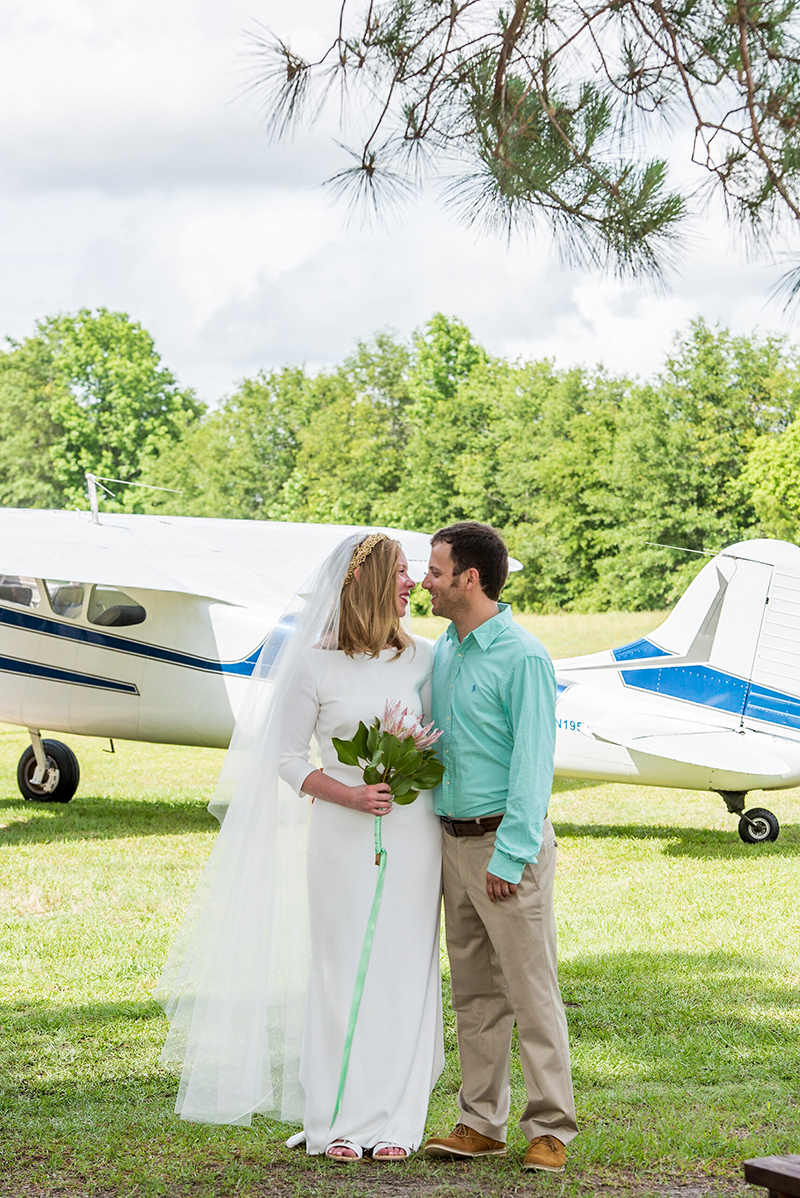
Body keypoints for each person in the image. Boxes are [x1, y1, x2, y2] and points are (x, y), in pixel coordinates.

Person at [156, 532, 443, 1163]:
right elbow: (286, 759)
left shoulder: (424, 658)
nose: (412, 583)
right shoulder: (313, 665)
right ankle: (336, 1119)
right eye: (400, 572)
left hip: (413, 836)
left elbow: (440, 742)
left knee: (405, 970)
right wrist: (349, 796)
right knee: (338, 971)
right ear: (366, 581)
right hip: (340, 836)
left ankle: (397, 1119)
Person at [420, 521, 577, 1173]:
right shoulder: (443, 650)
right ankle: (481, 1123)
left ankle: (551, 1128)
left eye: (435, 572)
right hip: (452, 845)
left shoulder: (523, 657)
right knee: (475, 994)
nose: (425, 583)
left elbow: (533, 765)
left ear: (469, 578)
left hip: (504, 847)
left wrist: (509, 857)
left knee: (531, 991)